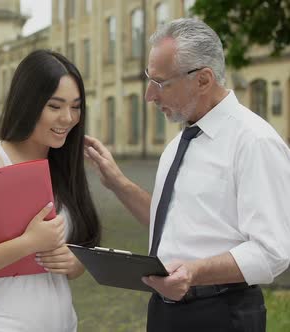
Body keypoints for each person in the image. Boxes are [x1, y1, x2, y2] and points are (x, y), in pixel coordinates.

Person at [85, 18, 290, 331]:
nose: (149, 96)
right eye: (148, 80)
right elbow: (171, 223)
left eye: (160, 83)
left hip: (222, 315)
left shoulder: (254, 142)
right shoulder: (180, 141)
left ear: (204, 80)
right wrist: (118, 183)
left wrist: (194, 272)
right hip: (166, 312)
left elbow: (272, 253)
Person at [0, 49, 101, 332]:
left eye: (76, 107)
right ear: (28, 103)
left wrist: (74, 262)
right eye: (55, 106)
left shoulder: (62, 164)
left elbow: (79, 255)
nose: (68, 118)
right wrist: (28, 242)